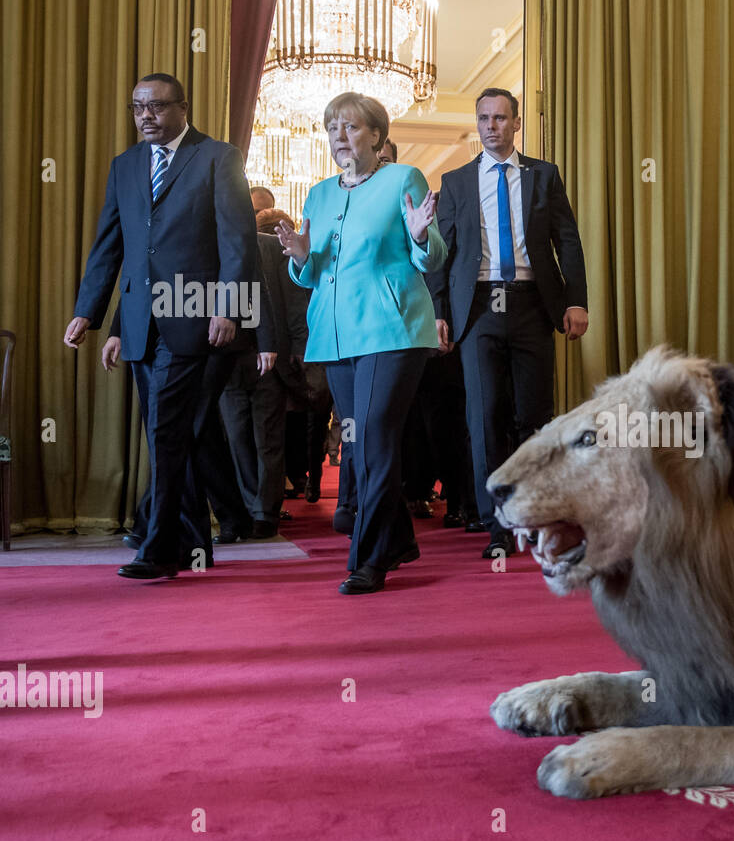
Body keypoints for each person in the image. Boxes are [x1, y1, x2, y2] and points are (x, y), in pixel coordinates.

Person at [65, 73, 271, 579]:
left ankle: (158, 549)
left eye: (156, 106)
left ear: (183, 107)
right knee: (176, 436)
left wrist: (229, 306)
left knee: (167, 433)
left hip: (197, 320)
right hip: (140, 324)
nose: (146, 116)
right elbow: (112, 247)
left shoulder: (219, 157)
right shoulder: (125, 166)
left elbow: (237, 242)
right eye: (138, 108)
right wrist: (91, 312)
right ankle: (194, 545)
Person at [277, 91, 448, 595]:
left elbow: (433, 258)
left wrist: (420, 237)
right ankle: (398, 541)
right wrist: (300, 257)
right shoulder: (319, 194)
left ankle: (368, 558)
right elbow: (310, 275)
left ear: (377, 135)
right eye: (333, 130)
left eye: (351, 128)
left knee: (372, 436)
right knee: (361, 442)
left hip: (393, 329)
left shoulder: (403, 179)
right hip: (334, 333)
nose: (341, 138)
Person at [428, 87, 589, 559]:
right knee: (484, 415)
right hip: (476, 307)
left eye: (500, 118)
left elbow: (568, 241)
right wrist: (439, 311)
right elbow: (441, 254)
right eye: (483, 118)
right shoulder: (455, 181)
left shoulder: (544, 176)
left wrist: (576, 301)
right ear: (477, 124)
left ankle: (535, 515)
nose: (491, 126)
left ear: (517, 124)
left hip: (531, 304)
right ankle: (495, 523)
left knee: (534, 416)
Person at [217, 205, 308, 535]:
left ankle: (266, 513)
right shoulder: (209, 245)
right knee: (238, 437)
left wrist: (299, 346)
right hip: (225, 360)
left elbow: (296, 299)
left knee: (267, 438)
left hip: (268, 357)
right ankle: (250, 506)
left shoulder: (270, 246)